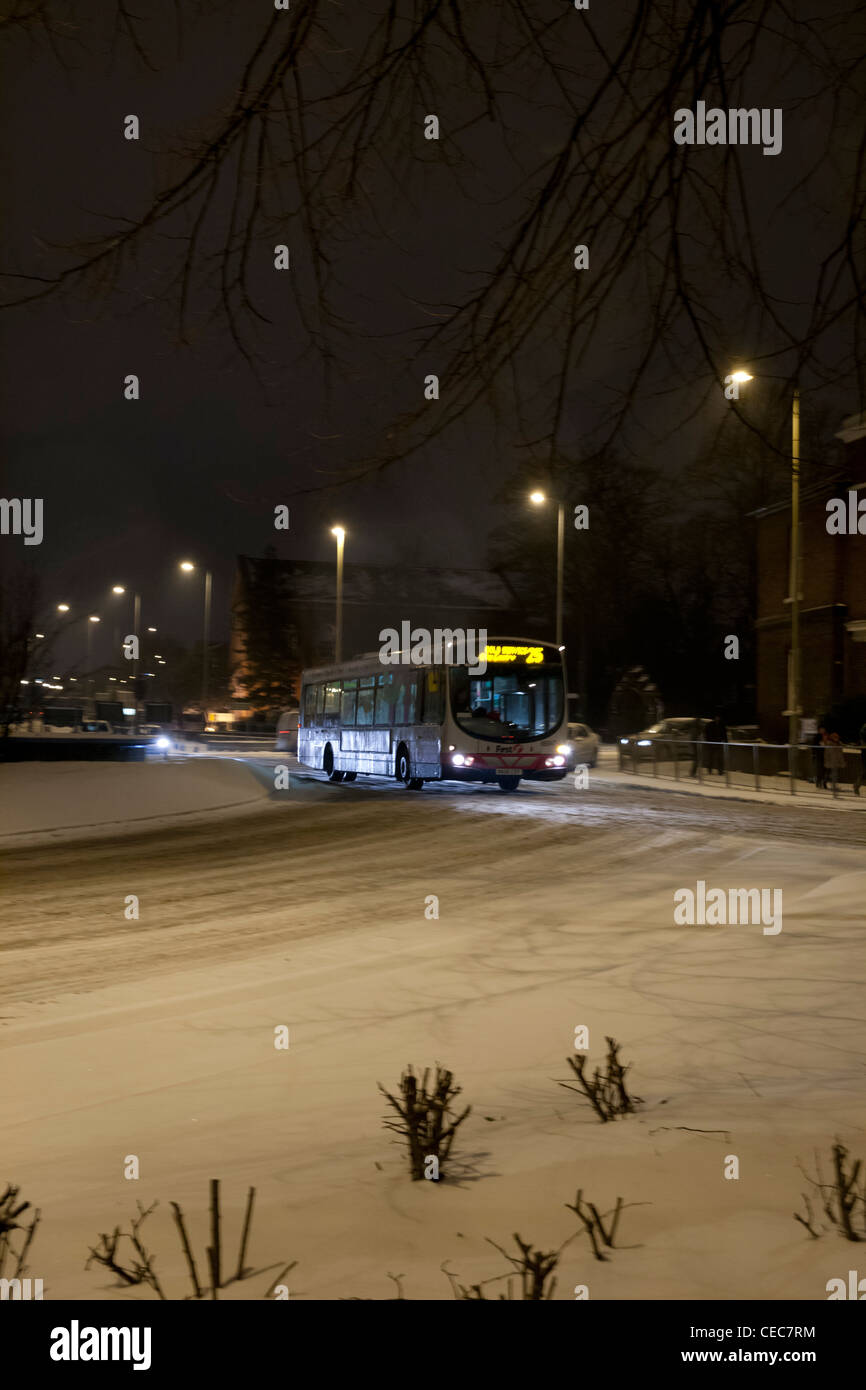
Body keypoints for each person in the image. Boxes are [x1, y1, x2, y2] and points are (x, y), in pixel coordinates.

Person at [855, 720, 866, 796]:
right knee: (864, 772)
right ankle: (856, 785)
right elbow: (862, 736)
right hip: (865, 753)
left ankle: (856, 785)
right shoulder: (864, 728)